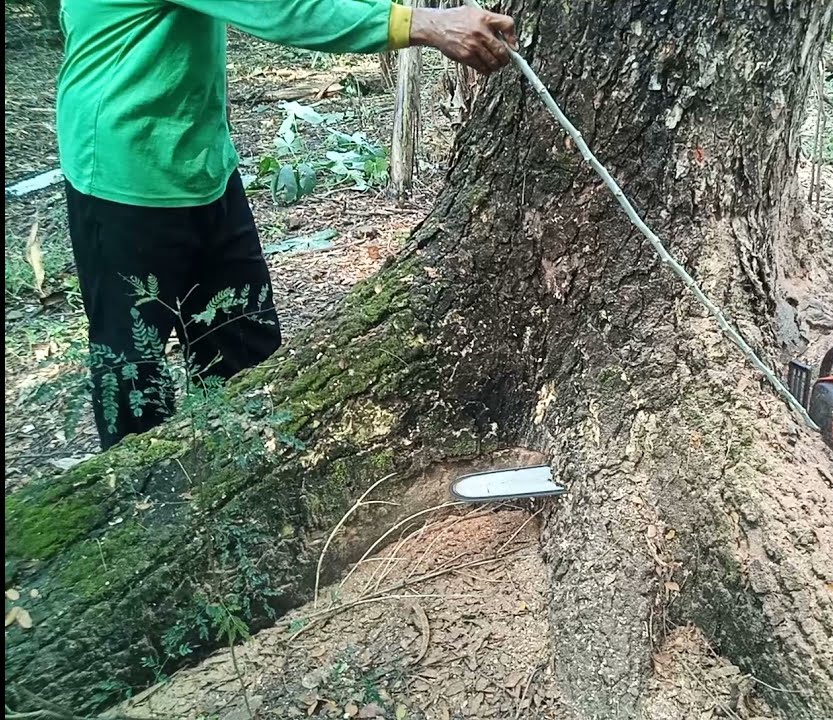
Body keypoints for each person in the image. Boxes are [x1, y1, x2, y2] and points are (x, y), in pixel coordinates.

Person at [57, 0, 516, 449]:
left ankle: (236, 485)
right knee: (135, 377)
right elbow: (282, 9)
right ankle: (138, 509)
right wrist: (425, 23)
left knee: (245, 351)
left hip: (202, 164)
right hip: (123, 179)